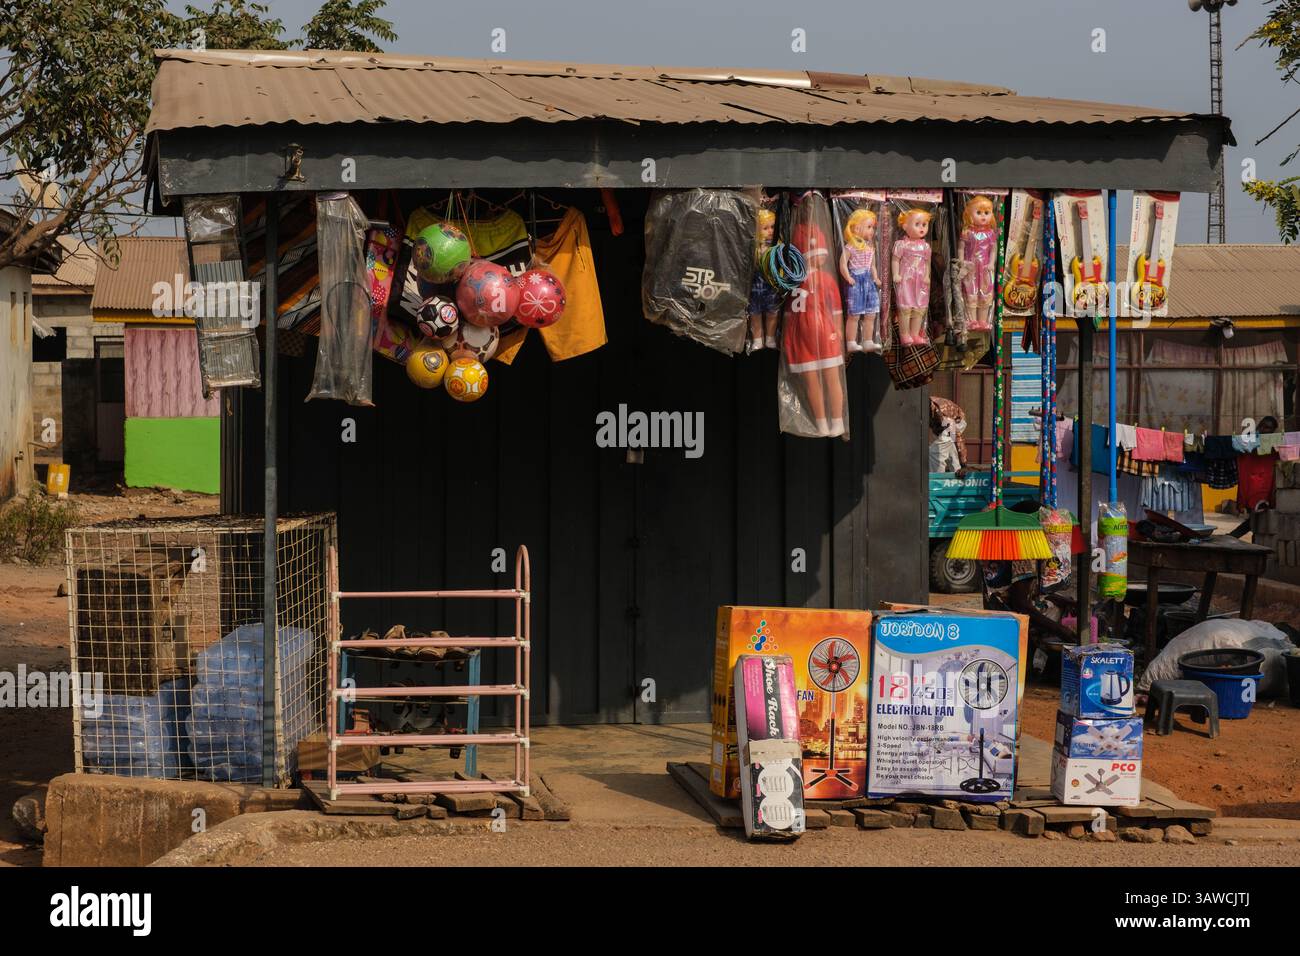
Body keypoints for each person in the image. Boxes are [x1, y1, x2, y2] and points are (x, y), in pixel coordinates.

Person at [929, 395, 969, 476]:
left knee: (936, 451)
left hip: (957, 421)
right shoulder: (923, 405)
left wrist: (964, 464)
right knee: (948, 446)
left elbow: (957, 439)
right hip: (942, 423)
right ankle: (956, 472)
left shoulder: (944, 416)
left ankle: (937, 479)